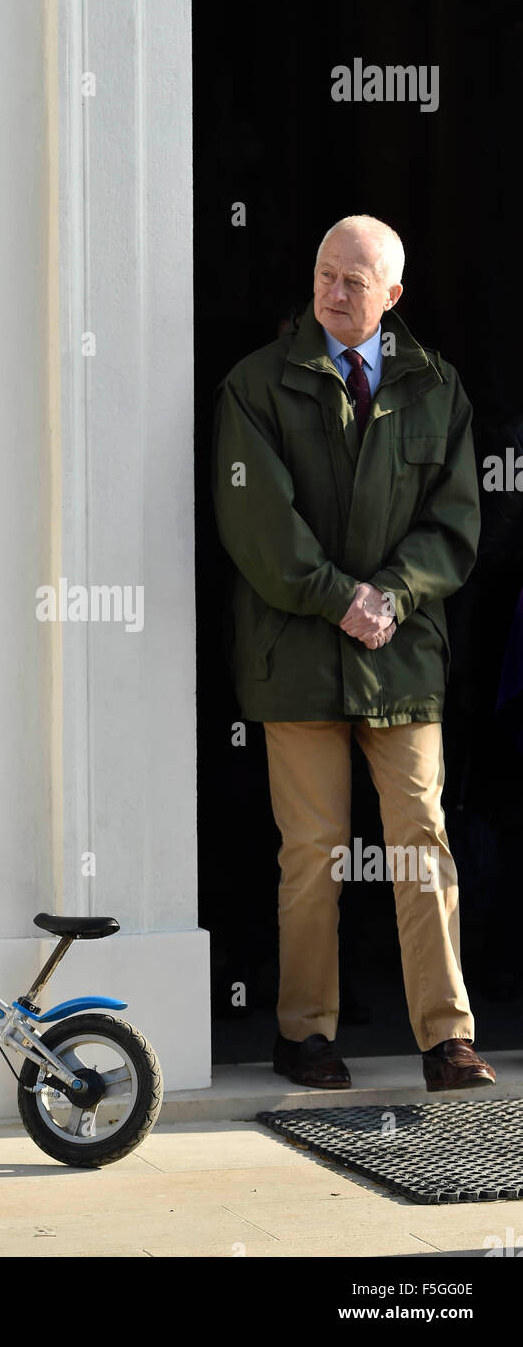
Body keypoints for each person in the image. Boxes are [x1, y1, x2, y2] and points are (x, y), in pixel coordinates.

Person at [211, 214, 496, 1091]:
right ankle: (304, 1035)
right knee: (315, 850)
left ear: (393, 296)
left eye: (355, 282)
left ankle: (447, 1040)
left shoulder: (437, 388)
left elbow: (454, 525)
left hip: (401, 659)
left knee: (422, 839)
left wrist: (392, 597)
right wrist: (345, 600)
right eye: (325, 275)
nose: (335, 293)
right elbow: (258, 528)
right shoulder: (256, 385)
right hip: (296, 657)